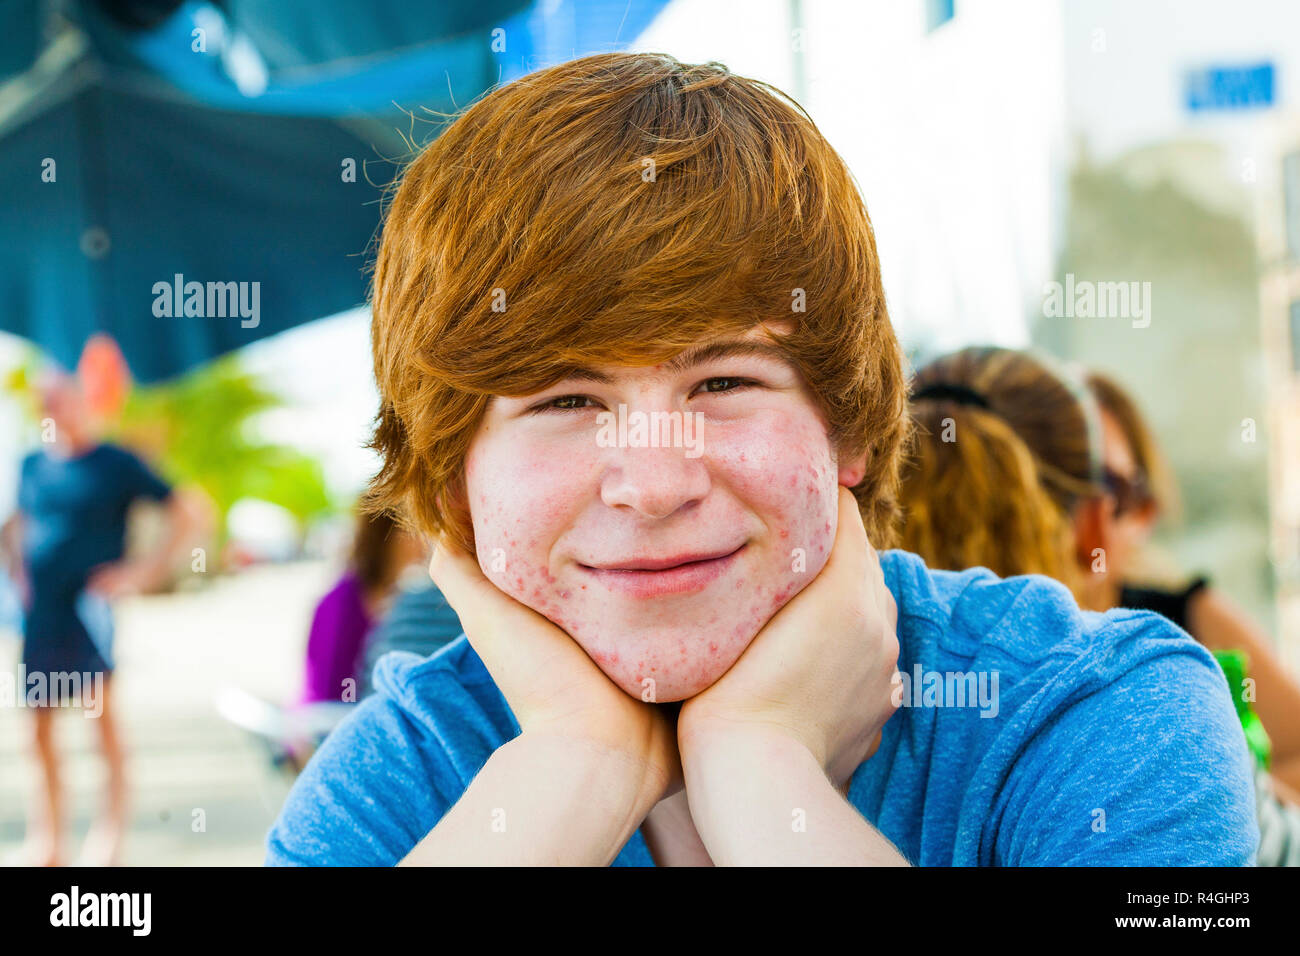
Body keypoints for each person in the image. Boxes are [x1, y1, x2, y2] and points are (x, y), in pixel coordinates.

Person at [265, 53, 1256, 866]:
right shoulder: (407, 772)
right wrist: (573, 767)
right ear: (451, 480)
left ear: (850, 429)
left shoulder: (1101, 714)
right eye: (566, 400)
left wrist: (758, 769)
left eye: (724, 383)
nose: (654, 483)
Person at [900, 346, 1299, 863]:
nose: (1140, 516)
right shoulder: (1155, 711)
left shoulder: (842, 686)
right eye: (1117, 490)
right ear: (1091, 522)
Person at [1, 367, 199, 866]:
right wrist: (17, 577)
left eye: (58, 397)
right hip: (40, 617)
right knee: (37, 732)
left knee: (101, 724)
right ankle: (49, 841)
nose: (51, 407)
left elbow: (188, 511)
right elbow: (18, 525)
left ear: (80, 400)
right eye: (43, 399)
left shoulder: (115, 462)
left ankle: (107, 841)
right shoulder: (30, 465)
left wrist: (141, 574)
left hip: (90, 614)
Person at [298, 508, 424, 706]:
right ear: (390, 535)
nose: (423, 538)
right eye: (415, 528)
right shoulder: (344, 601)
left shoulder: (395, 593)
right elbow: (335, 686)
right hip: (330, 721)